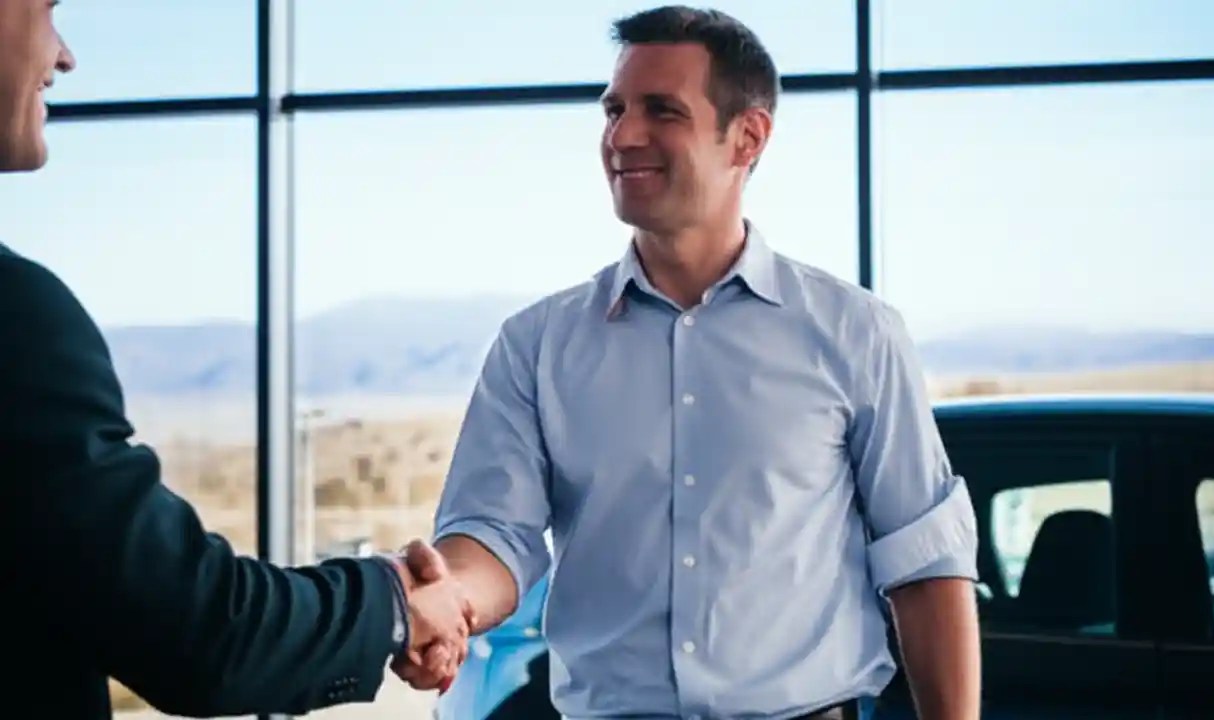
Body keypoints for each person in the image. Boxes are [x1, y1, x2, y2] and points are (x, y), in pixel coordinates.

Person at [430, 5, 982, 720]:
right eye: (614, 110)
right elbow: (492, 534)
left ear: (747, 137)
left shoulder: (856, 334)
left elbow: (926, 564)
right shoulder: (536, 345)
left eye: (662, 111)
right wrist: (448, 600)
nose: (623, 136)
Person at [0, 2, 472, 717]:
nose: (64, 55)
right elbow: (197, 631)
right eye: (45, 8)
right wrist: (392, 602)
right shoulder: (15, 315)